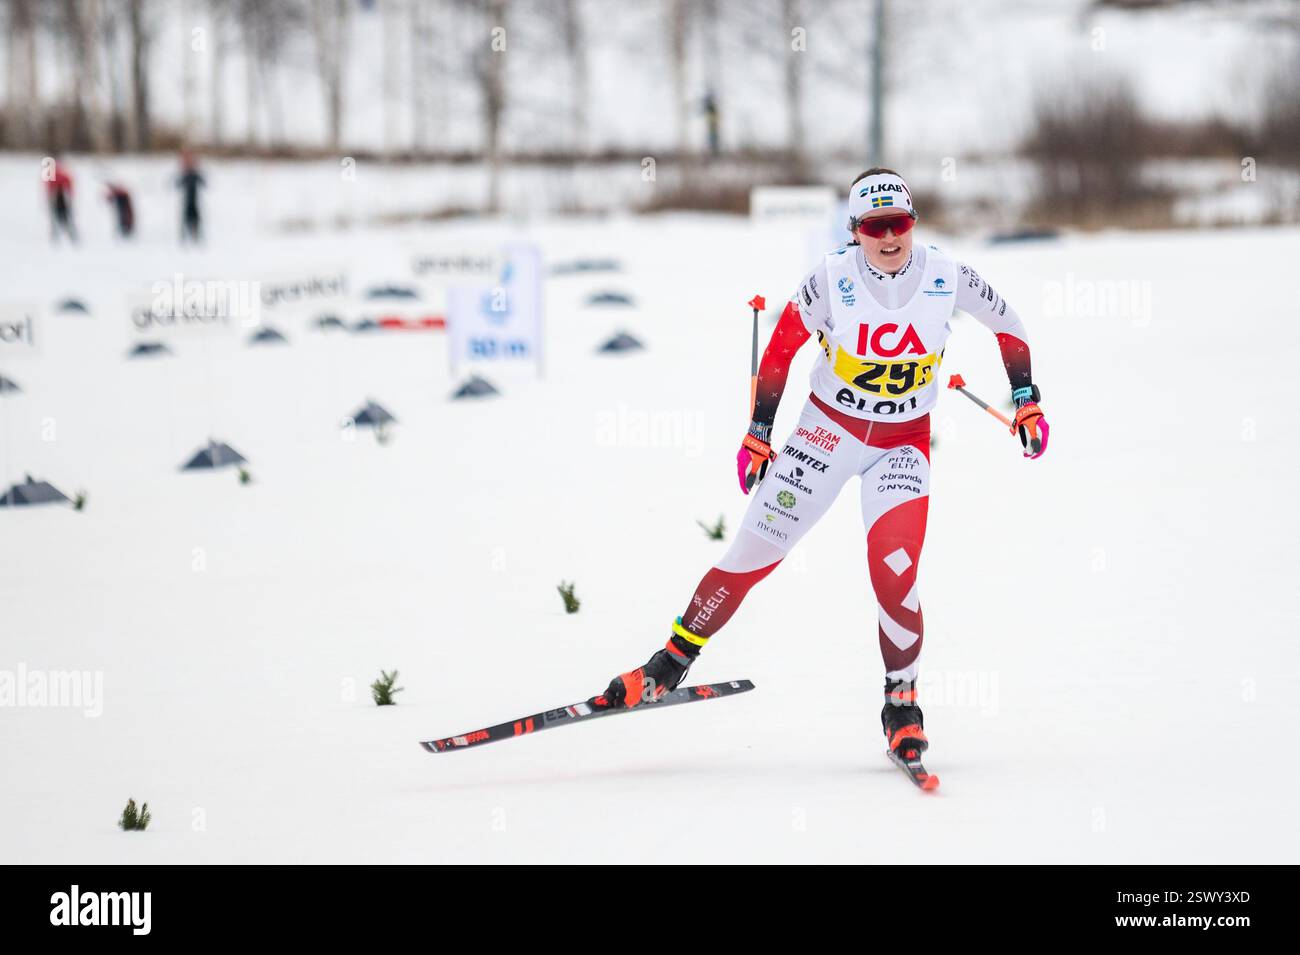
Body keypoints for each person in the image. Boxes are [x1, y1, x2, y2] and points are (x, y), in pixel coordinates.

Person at [593, 168, 1050, 760]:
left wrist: (1025, 399)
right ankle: (667, 664)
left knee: (895, 573)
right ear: (855, 230)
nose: (890, 238)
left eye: (900, 224)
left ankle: (901, 704)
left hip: (901, 444)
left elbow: (1008, 327)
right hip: (824, 435)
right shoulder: (829, 281)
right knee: (750, 556)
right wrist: (760, 433)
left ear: (913, 224)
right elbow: (780, 352)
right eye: (875, 227)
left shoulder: (947, 274)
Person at [45, 155, 78, 244]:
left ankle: (67, 235)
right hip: (58, 198)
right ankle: (59, 236)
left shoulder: (58, 174)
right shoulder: (60, 174)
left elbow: (49, 186)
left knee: (62, 217)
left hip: (61, 198)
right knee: (60, 217)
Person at [175, 150, 206, 244]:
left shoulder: (195, 174)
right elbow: (178, 184)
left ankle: (195, 234)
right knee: (186, 217)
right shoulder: (186, 175)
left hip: (194, 200)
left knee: (195, 217)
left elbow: (203, 183)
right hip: (187, 200)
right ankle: (184, 236)